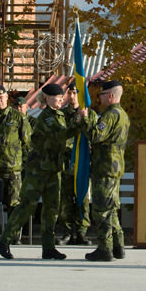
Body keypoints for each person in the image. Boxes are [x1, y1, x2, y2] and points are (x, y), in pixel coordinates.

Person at [0, 83, 82, 260]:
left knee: (51, 208)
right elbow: (59, 135)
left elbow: (66, 142)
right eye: (57, 97)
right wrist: (78, 125)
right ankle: (5, 239)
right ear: (47, 98)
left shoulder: (59, 115)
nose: (60, 100)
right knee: (27, 204)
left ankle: (48, 247)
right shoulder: (47, 117)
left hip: (53, 168)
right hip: (39, 169)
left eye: (60, 97)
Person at [78, 80, 130, 262]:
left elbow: (96, 135)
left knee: (102, 210)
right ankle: (118, 246)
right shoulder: (122, 115)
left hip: (105, 167)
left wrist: (84, 119)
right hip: (113, 167)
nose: (98, 98)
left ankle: (104, 248)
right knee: (111, 209)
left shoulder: (110, 115)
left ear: (110, 96)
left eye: (101, 95)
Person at [0, 85, 31, 241]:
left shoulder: (17, 117)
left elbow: (27, 143)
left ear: (7, 98)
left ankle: (13, 236)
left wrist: (25, 166)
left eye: (2, 97)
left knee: (13, 205)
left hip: (12, 169)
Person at [58, 83, 91, 245]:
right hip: (65, 162)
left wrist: (83, 117)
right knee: (65, 199)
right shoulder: (62, 114)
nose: (71, 96)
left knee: (83, 197)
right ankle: (67, 232)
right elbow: (61, 134)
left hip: (82, 162)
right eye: (69, 93)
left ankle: (82, 232)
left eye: (75, 93)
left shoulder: (89, 114)